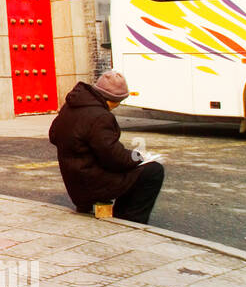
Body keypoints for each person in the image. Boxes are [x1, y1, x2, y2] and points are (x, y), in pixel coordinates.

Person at [48, 70, 165, 224]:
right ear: (112, 99)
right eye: (119, 101)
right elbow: (115, 158)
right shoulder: (101, 116)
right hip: (92, 182)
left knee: (132, 169)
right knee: (153, 171)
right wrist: (140, 156)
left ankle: (119, 213)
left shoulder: (70, 107)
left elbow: (53, 135)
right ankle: (130, 219)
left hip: (75, 180)